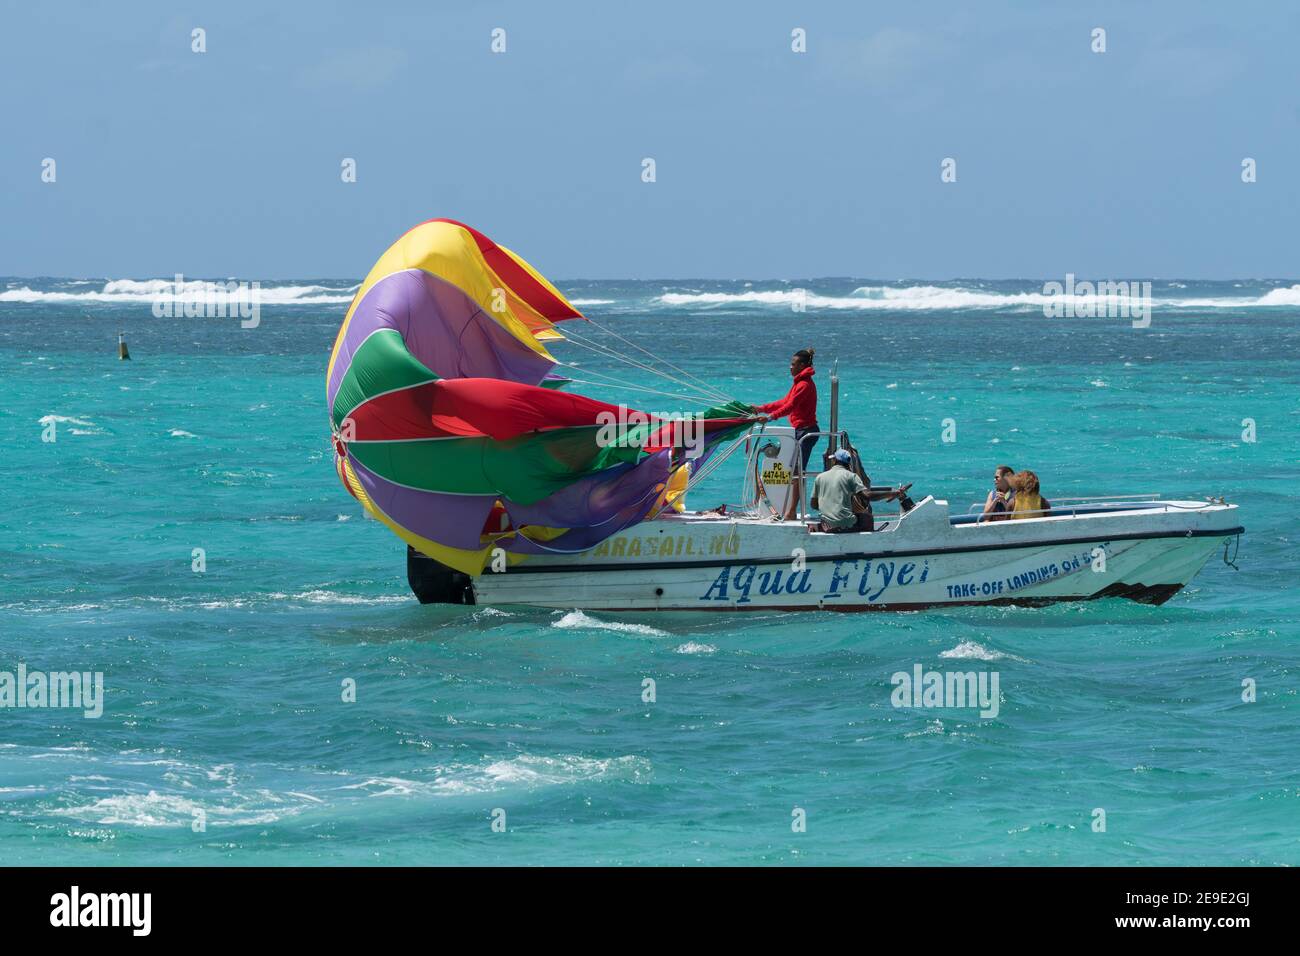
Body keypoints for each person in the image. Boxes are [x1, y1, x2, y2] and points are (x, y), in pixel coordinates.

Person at [755, 348, 819, 519]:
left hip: (806, 432)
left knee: (797, 473)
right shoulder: (798, 383)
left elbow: (791, 407)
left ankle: (791, 512)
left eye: (793, 364)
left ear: (803, 365)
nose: (790, 367)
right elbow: (784, 401)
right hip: (799, 431)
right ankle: (788, 510)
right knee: (793, 472)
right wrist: (761, 408)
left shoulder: (804, 385)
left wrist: (769, 418)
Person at [811, 449, 867, 532]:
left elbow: (814, 505)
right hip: (846, 523)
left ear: (834, 460)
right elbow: (866, 496)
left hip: (826, 523)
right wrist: (887, 494)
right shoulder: (851, 476)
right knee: (868, 518)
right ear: (848, 463)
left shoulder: (820, 477)